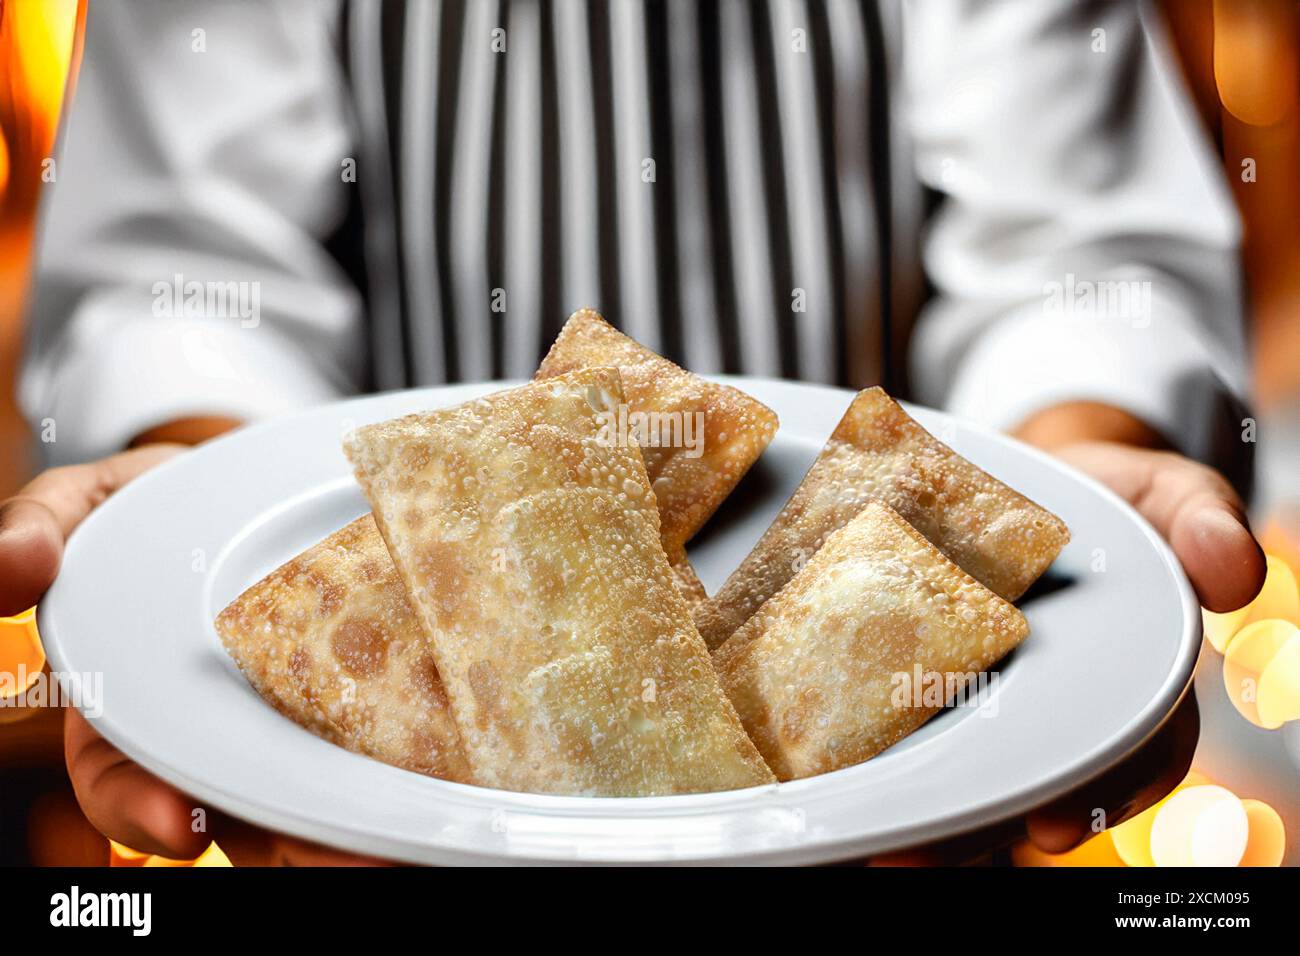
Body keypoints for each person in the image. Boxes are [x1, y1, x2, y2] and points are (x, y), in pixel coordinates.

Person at [1, 0, 1265, 865]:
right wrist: (207, 485)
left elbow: (1076, 253)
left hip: (883, 795)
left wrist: (1071, 451)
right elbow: (189, 263)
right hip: (405, 768)